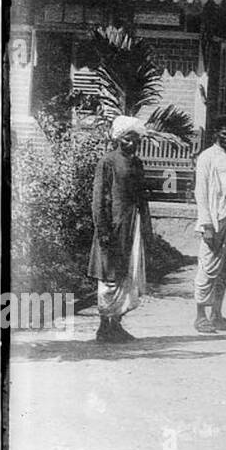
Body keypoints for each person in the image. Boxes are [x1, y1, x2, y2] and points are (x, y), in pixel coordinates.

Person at [87, 116, 151, 343]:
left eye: (135, 139)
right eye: (127, 138)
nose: (132, 143)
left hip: (131, 227)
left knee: (127, 275)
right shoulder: (108, 162)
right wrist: (103, 230)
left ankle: (117, 324)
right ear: (118, 139)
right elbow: (99, 199)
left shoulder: (138, 164)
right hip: (113, 228)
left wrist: (145, 227)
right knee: (110, 276)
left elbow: (142, 198)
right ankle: (104, 326)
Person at [193, 115, 226, 334]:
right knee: (208, 268)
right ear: (215, 133)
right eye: (224, 134)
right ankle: (200, 316)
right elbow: (202, 193)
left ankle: (217, 315)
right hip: (215, 222)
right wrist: (206, 224)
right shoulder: (206, 158)